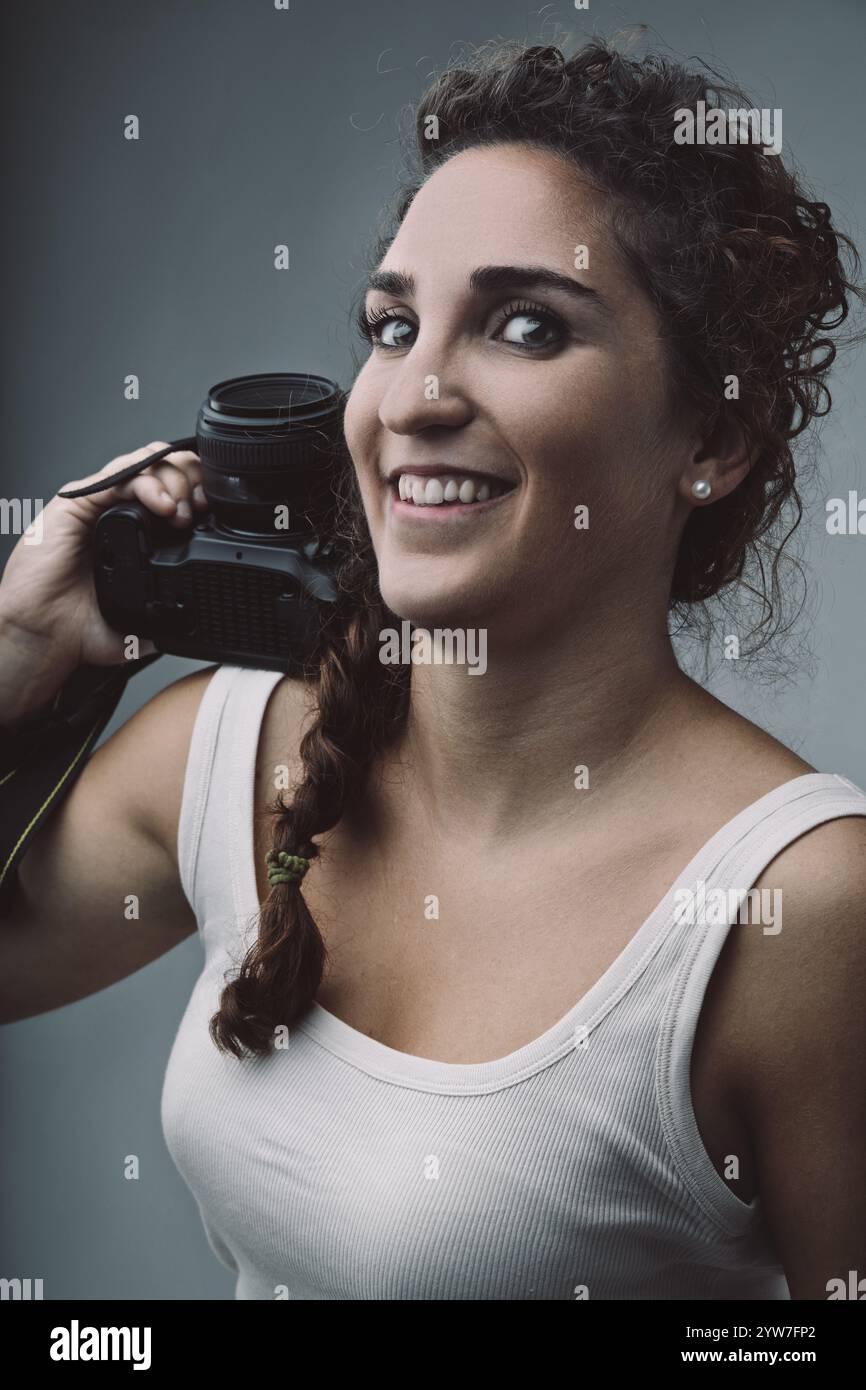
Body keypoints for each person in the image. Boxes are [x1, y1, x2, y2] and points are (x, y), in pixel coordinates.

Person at [2, 37, 865, 1301]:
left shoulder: (798, 907)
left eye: (524, 324)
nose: (413, 393)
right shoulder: (229, 749)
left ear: (713, 434)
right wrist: (21, 662)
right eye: (393, 324)